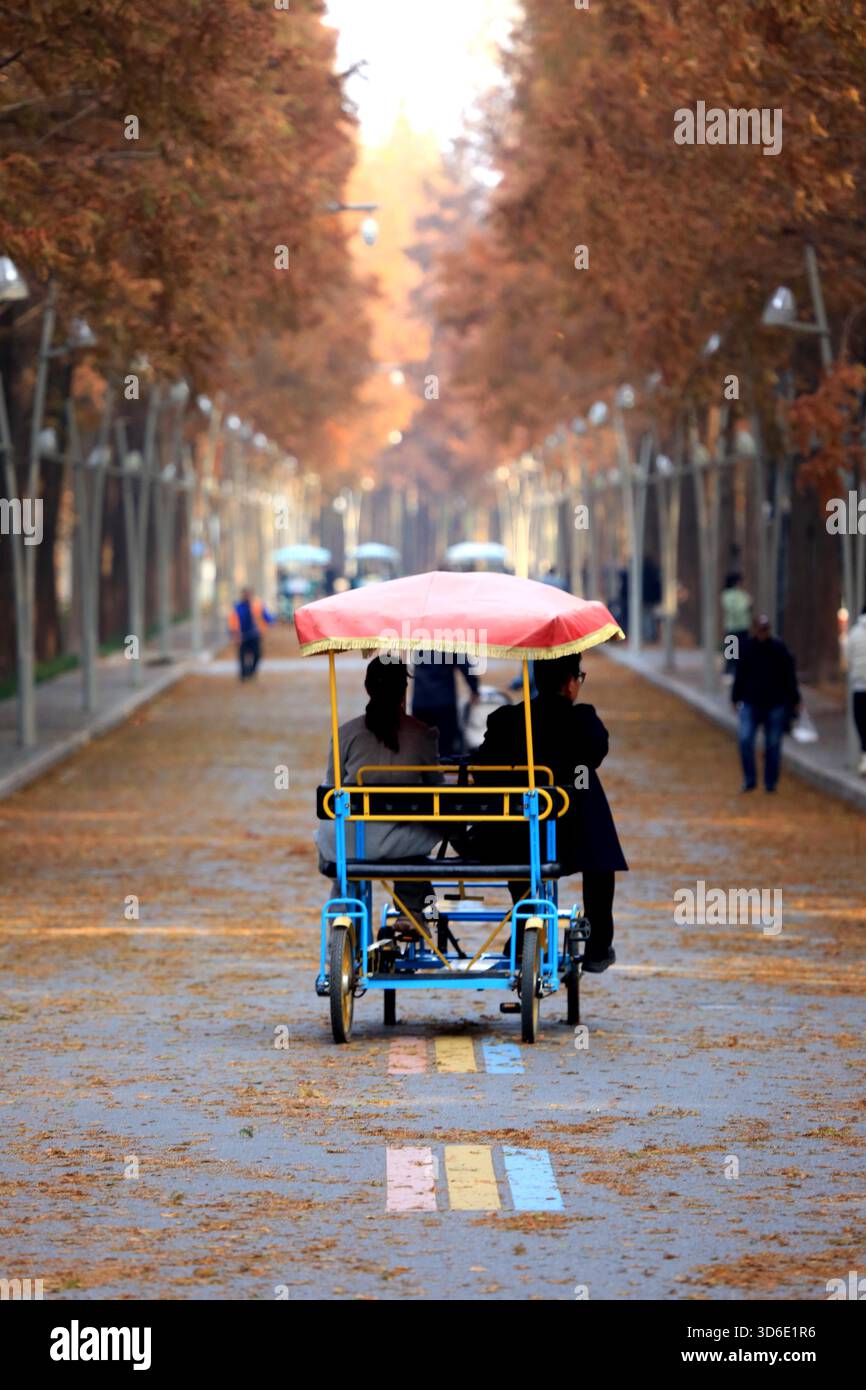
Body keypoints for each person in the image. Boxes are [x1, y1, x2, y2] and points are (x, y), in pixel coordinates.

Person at [469, 652, 627, 973]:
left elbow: (482, 769)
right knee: (590, 804)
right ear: (570, 684)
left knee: (524, 835)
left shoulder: (507, 720)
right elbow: (595, 753)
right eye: (578, 679)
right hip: (571, 839)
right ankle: (598, 944)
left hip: (511, 837)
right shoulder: (581, 719)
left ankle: (525, 922)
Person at [316, 658, 444, 933]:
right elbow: (436, 790)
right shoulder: (422, 735)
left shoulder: (345, 734)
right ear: (403, 690)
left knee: (345, 850)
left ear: (367, 687)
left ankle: (343, 909)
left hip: (350, 842)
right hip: (397, 844)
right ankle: (415, 912)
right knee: (418, 841)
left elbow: (331, 787)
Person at [732, 614, 800, 793]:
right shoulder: (746, 648)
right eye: (760, 629)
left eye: (765, 629)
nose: (763, 633)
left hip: (775, 703)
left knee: (773, 744)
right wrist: (735, 697)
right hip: (751, 702)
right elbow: (739, 675)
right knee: (745, 740)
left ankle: (770, 782)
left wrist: (794, 700)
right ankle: (750, 779)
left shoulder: (779, 649)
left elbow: (789, 676)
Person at [410, 649, 480, 757]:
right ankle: (443, 772)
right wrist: (474, 688)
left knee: (420, 748)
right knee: (445, 750)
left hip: (420, 701)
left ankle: (422, 773)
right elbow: (465, 666)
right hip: (444, 703)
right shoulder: (450, 643)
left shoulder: (417, 641)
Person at [229, 587, 274, 680]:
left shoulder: (257, 605)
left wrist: (272, 621)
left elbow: (265, 616)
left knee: (257, 654)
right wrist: (234, 634)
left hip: (255, 634)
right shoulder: (238, 607)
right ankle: (243, 674)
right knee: (242, 655)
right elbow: (233, 621)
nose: (247, 596)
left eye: (249, 594)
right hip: (242, 635)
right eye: (245, 594)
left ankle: (251, 671)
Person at [720, 572, 753, 678]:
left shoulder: (742, 593)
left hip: (743, 627)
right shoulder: (728, 594)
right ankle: (729, 672)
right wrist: (746, 605)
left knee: (742, 651)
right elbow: (734, 608)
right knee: (731, 652)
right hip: (732, 627)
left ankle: (740, 672)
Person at [847, 602, 866, 775]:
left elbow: (848, 659)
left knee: (861, 725)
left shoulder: (854, 633)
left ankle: (864, 758)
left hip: (859, 687)